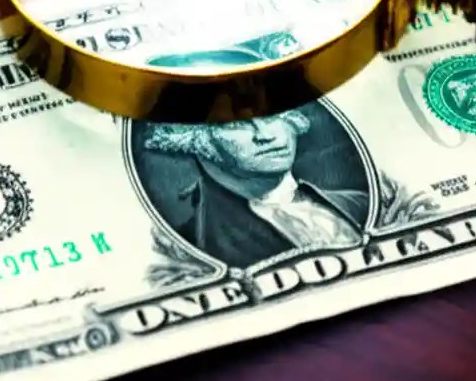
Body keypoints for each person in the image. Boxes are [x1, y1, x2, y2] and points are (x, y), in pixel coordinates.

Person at [142, 109, 368, 269]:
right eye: (235, 124)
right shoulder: (192, 246)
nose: (266, 136)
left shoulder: (360, 203)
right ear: (197, 140)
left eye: (271, 115)